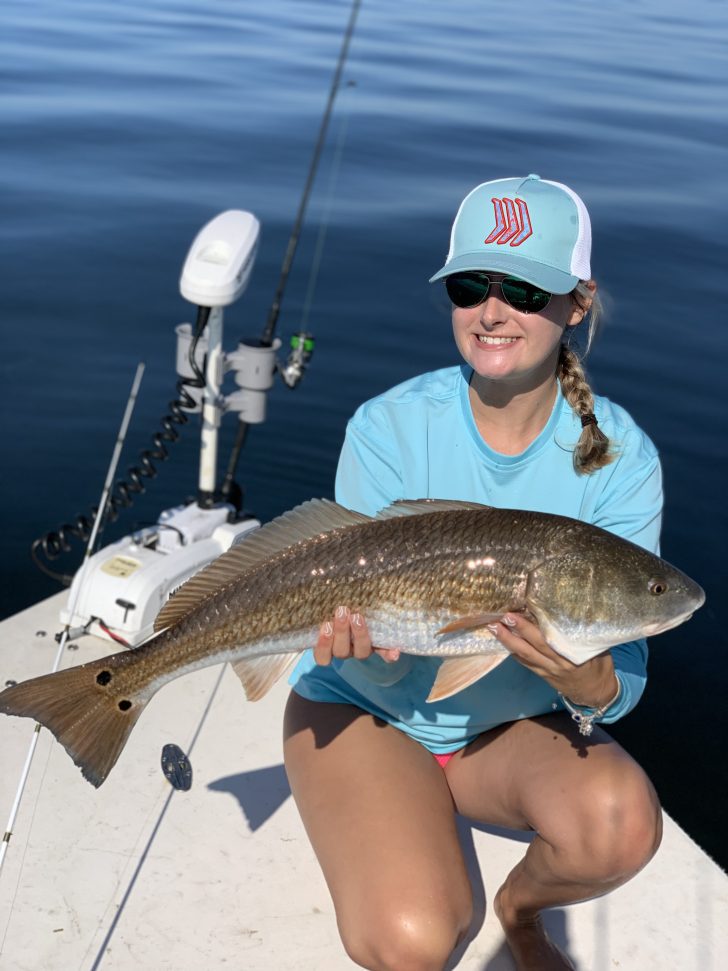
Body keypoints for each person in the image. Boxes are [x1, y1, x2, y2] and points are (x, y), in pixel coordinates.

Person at [283, 174, 663, 971]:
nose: (493, 310)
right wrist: (354, 641)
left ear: (577, 303)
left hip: (502, 734)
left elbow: (619, 684)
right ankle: (401, 804)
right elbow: (353, 616)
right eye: (470, 285)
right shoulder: (390, 425)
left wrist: (588, 677)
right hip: (367, 711)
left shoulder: (623, 458)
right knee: (414, 939)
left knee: (621, 824)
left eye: (525, 289)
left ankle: (520, 912)